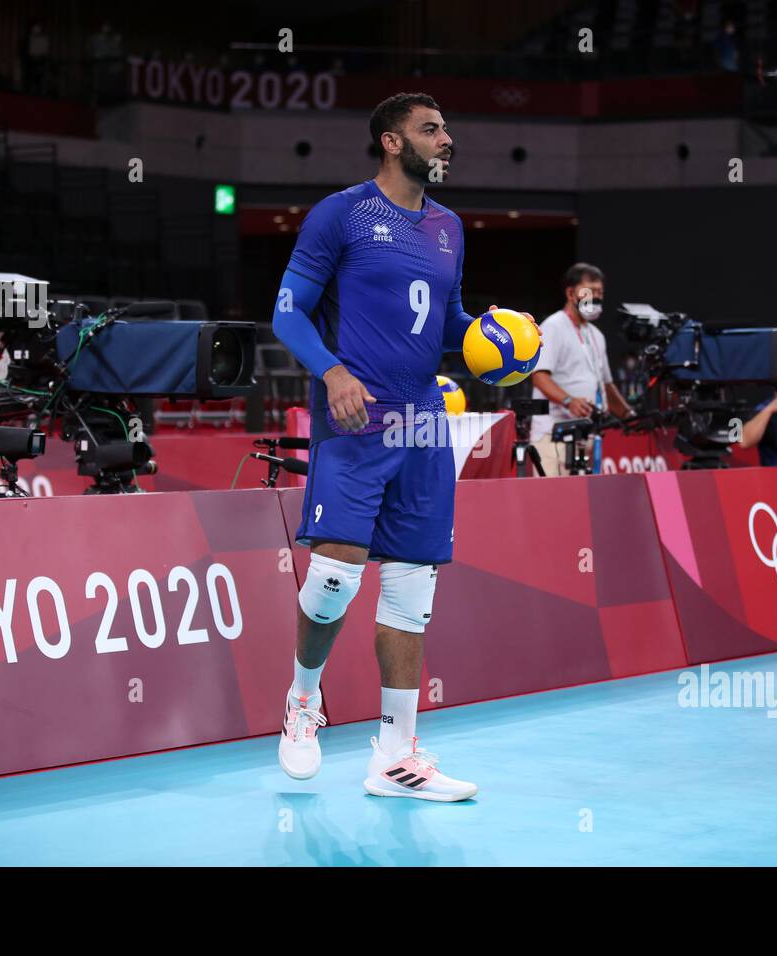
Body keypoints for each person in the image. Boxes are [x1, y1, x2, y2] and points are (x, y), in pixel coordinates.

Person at [270, 93, 536, 801]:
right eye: (431, 129)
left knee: (412, 586)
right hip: (357, 416)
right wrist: (331, 372)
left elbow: (446, 323)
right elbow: (288, 310)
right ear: (391, 141)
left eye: (446, 128)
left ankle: (395, 757)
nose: (447, 139)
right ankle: (302, 703)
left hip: (424, 423)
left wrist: (499, 335)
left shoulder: (449, 228)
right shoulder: (342, 213)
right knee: (337, 573)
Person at [528, 263, 633, 476]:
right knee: (550, 503)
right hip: (551, 436)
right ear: (570, 293)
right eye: (590, 291)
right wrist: (569, 401)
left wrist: (630, 415)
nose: (596, 297)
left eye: (600, 292)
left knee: (580, 506)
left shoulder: (596, 335)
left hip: (584, 436)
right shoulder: (553, 326)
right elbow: (538, 376)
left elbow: (606, 385)